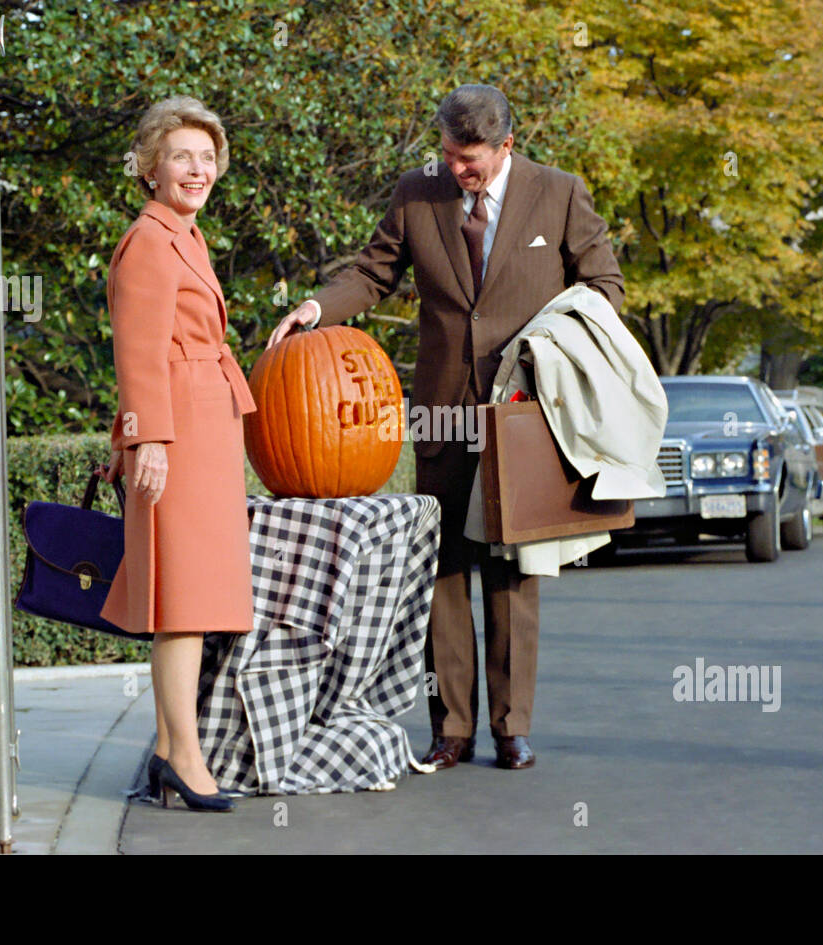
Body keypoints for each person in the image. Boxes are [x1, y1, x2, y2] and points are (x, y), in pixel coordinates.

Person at [267, 85, 624, 770]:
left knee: (512, 572)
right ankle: (451, 727)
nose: (459, 169)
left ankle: (512, 725)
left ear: (507, 145)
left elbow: (603, 286)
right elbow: (374, 272)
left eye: (473, 159)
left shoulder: (559, 192)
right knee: (443, 571)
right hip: (440, 410)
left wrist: (552, 351)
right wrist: (317, 308)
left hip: (524, 411)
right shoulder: (416, 192)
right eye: (450, 156)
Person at [98, 96, 259, 811]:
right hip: (178, 432)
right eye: (181, 156)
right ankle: (185, 757)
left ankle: (170, 750)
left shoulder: (184, 236)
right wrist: (149, 439)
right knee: (181, 602)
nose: (197, 169)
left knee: (190, 598)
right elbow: (138, 350)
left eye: (206, 157)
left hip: (206, 426)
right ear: (149, 167)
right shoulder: (150, 241)